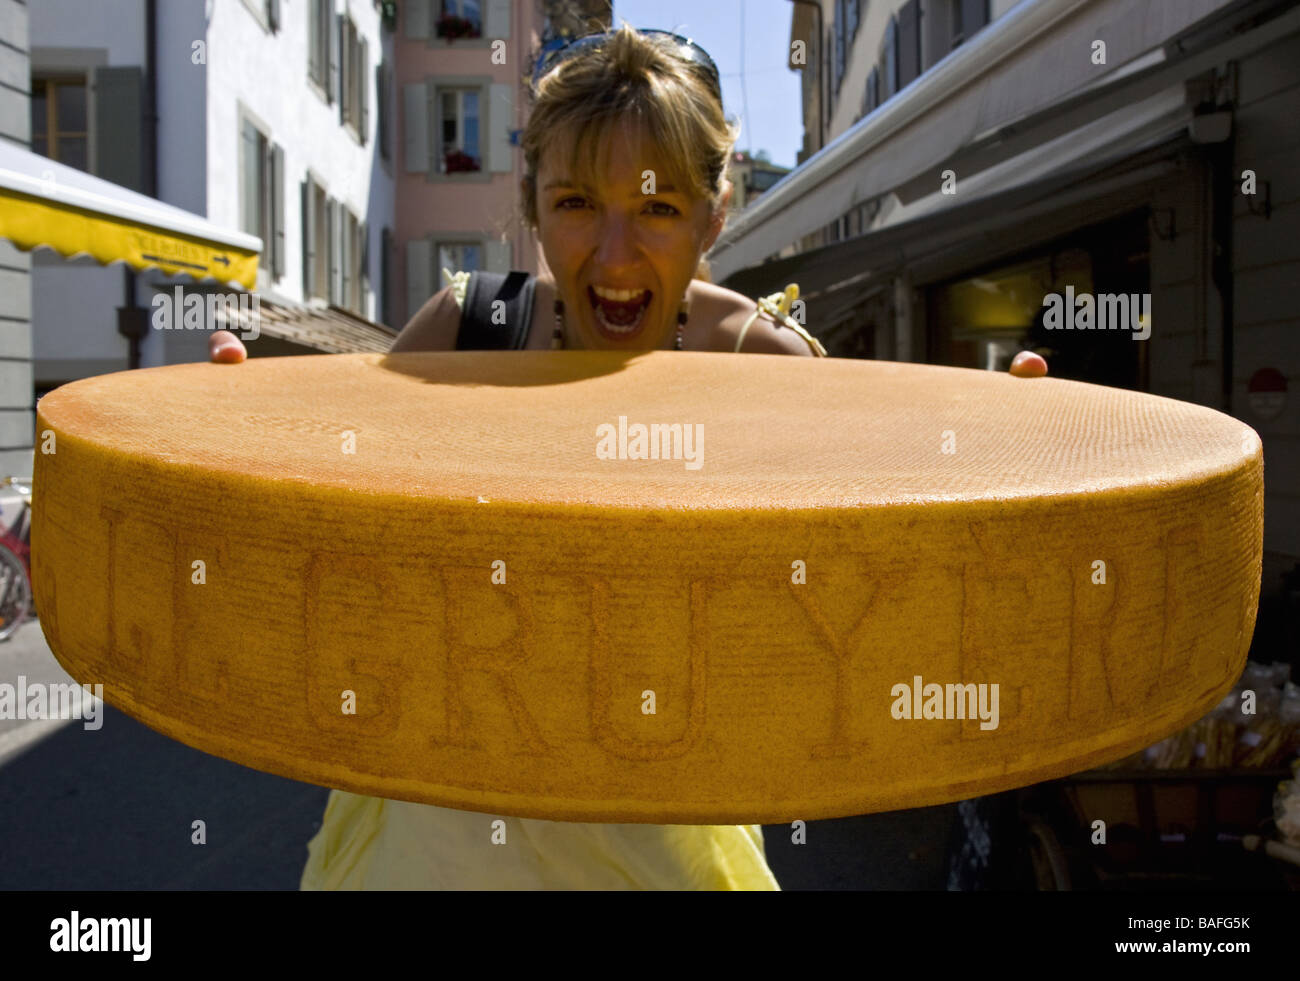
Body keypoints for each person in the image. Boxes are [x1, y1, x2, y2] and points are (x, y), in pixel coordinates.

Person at [209, 25, 1048, 889]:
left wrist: (1022, 466)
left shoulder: (763, 364)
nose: (614, 257)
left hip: (665, 841)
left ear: (713, 214)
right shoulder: (471, 326)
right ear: (533, 204)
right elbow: (328, 521)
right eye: (576, 203)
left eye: (656, 207)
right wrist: (222, 452)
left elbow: (886, 573)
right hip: (440, 826)